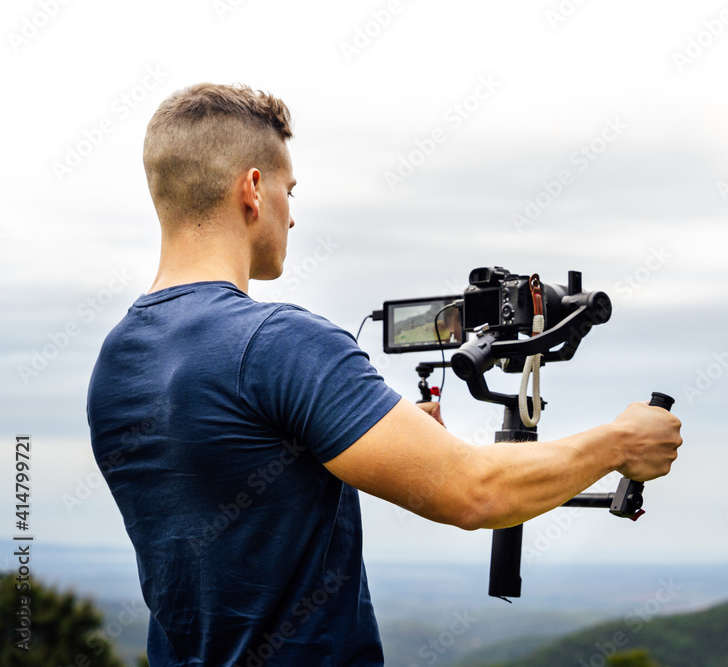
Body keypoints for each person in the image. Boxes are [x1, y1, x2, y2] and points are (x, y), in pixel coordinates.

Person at [87, 82, 683, 666]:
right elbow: (476, 492)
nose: (291, 219)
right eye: (290, 193)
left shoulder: (115, 361)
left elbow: (227, 497)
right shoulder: (280, 341)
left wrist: (384, 435)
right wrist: (620, 441)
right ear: (253, 189)